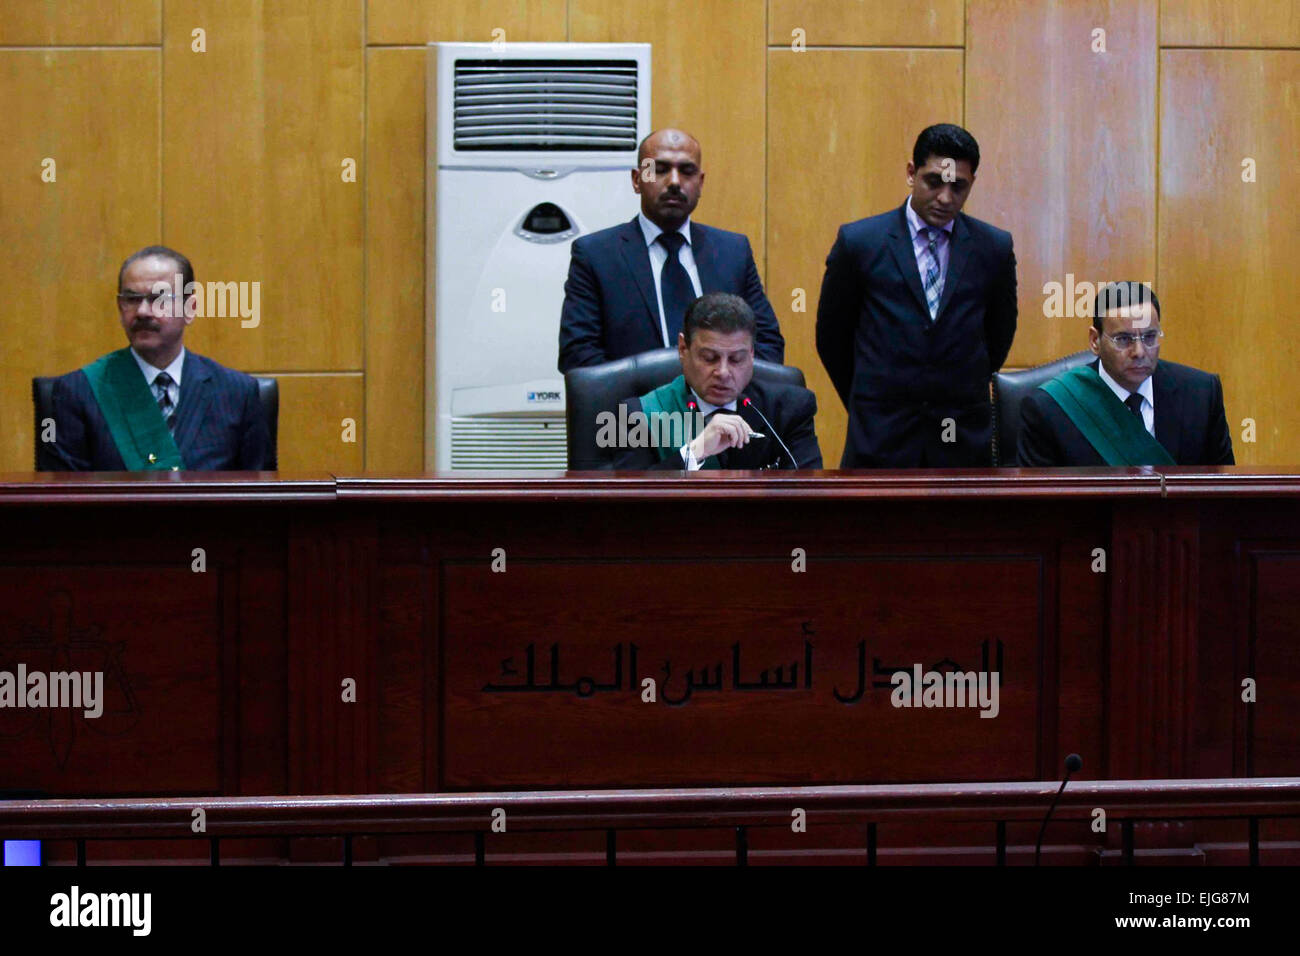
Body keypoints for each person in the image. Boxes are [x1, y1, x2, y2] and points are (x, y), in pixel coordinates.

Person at [816, 123, 1017, 467]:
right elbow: (832, 338)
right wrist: (872, 399)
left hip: (960, 437)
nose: (945, 197)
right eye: (934, 181)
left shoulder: (993, 248)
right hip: (880, 437)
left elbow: (998, 336)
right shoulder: (860, 243)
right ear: (912, 172)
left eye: (958, 186)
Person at [558, 128, 784, 373]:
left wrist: (723, 396)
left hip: (724, 408)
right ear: (637, 179)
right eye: (660, 169)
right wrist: (650, 406)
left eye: (687, 171)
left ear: (700, 183)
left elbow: (767, 344)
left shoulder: (733, 252)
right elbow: (579, 354)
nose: (675, 182)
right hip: (634, 409)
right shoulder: (596, 255)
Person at [46, 245, 272, 471]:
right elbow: (64, 497)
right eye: (132, 299)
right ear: (120, 306)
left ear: (190, 308)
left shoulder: (238, 394)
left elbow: (260, 493)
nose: (143, 311)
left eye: (159, 298)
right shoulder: (78, 391)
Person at [1016, 282, 1234, 466]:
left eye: (1150, 337)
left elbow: (1224, 494)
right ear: (1095, 341)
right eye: (1123, 339)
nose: (1139, 352)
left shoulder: (1201, 395)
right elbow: (1039, 510)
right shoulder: (1050, 409)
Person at [611, 293, 820, 471]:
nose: (723, 372)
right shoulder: (638, 415)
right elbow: (627, 506)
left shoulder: (790, 410)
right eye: (710, 358)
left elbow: (811, 496)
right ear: (683, 349)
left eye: (736, 359)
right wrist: (694, 452)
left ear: (751, 354)